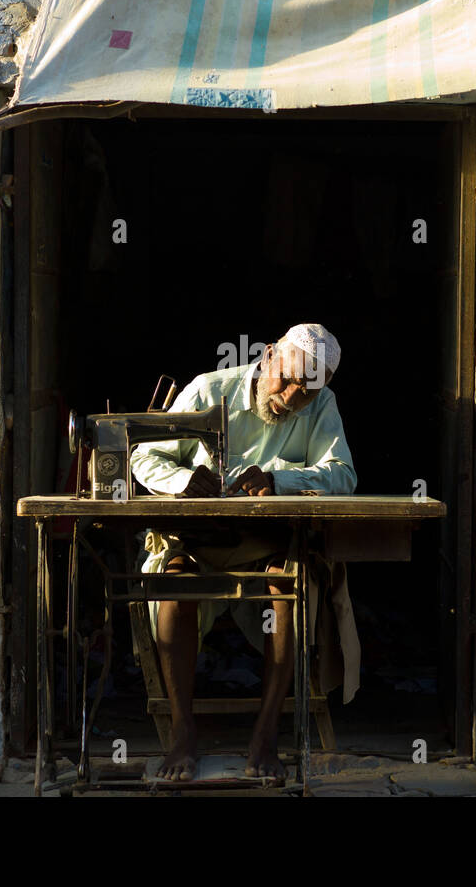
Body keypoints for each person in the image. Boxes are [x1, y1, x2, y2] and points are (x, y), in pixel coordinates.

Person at [130, 323, 357, 780]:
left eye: (306, 393)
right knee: (174, 588)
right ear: (269, 355)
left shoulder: (322, 405)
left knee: (288, 592)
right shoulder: (208, 390)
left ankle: (266, 733)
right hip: (197, 541)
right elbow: (143, 456)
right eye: (287, 380)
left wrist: (279, 481)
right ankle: (183, 730)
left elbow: (342, 475)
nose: (292, 397)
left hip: (266, 542)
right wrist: (182, 481)